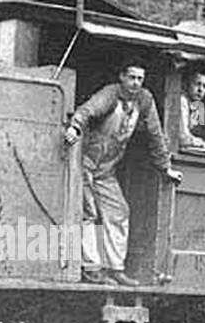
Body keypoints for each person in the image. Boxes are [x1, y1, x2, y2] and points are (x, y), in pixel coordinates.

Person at [63, 59, 182, 285]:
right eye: (132, 77)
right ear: (122, 77)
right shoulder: (111, 94)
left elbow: (155, 134)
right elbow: (88, 110)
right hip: (85, 164)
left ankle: (114, 268)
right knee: (89, 213)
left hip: (106, 169)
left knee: (119, 211)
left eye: (140, 79)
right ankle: (91, 269)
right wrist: (75, 126)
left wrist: (166, 167)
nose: (136, 83)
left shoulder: (144, 100)